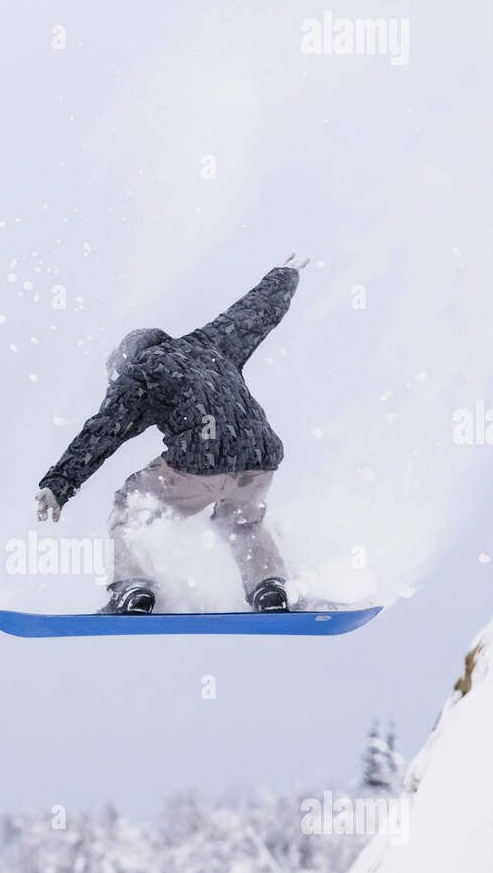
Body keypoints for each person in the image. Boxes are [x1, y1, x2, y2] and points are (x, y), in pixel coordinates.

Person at [35, 254, 308, 613]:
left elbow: (104, 430)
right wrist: (283, 276)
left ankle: (134, 588)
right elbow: (253, 313)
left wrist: (59, 482)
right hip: (260, 459)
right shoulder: (209, 344)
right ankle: (269, 588)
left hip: (201, 460)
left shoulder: (141, 373)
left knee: (131, 503)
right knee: (242, 522)